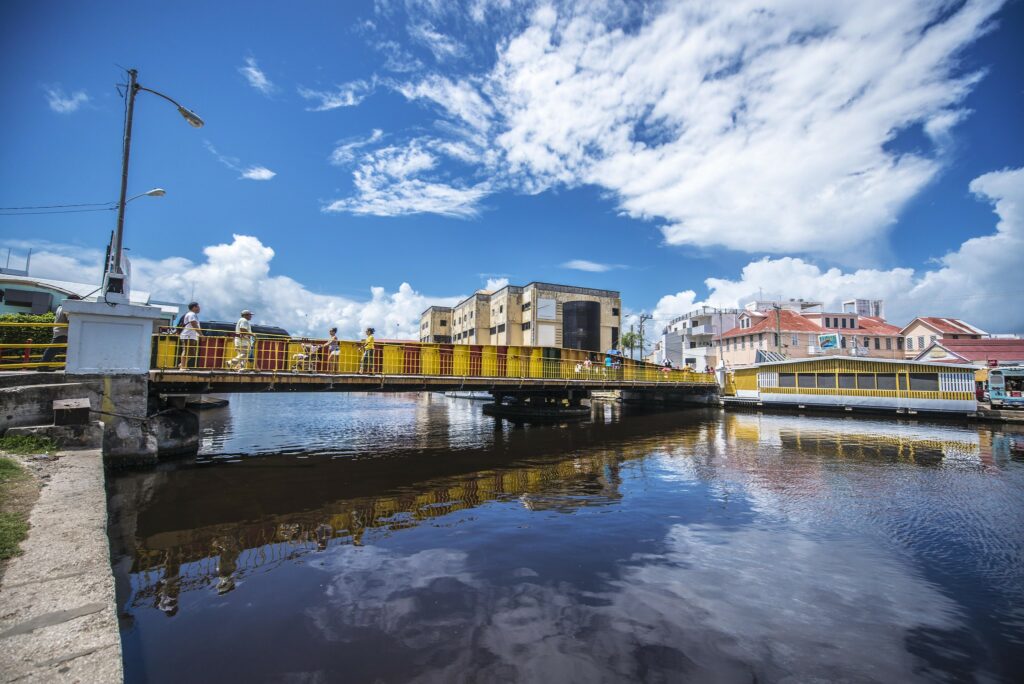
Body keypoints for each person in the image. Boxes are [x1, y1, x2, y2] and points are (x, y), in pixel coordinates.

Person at [38, 294, 80, 370]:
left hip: (59, 331)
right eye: (77, 301)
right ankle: (42, 366)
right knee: (53, 350)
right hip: (63, 332)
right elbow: (70, 320)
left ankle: (43, 366)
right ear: (72, 301)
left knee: (53, 349)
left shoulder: (60, 307)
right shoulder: (67, 309)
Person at [178, 302, 202, 370]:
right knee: (186, 351)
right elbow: (194, 324)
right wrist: (201, 334)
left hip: (191, 336)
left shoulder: (193, 314)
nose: (199, 308)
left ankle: (182, 364)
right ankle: (182, 367)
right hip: (187, 336)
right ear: (194, 307)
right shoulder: (191, 314)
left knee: (191, 353)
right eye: (198, 307)